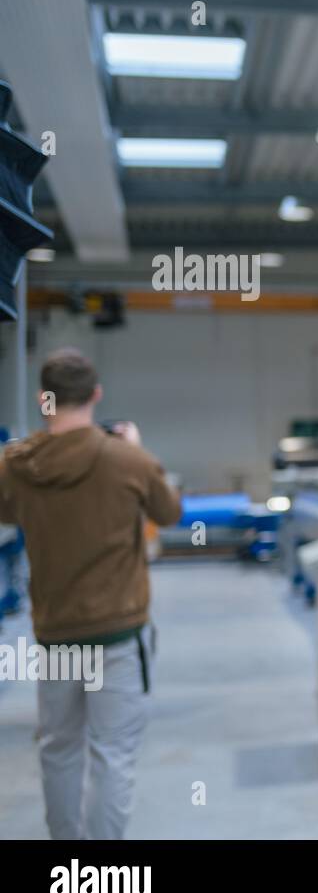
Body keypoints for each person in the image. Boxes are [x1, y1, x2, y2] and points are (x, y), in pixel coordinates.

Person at [0, 348, 181, 839]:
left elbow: (7, 511)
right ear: (96, 395)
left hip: (56, 633)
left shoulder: (18, 466)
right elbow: (168, 512)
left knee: (58, 748)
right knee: (112, 755)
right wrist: (140, 451)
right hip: (118, 635)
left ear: (45, 400)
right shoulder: (127, 460)